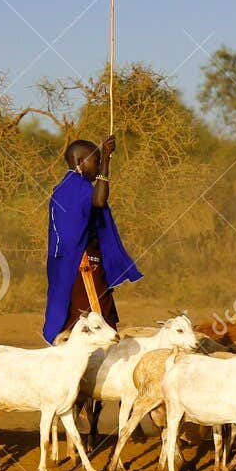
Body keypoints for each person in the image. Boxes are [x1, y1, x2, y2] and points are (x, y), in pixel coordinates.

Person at [43, 135, 143, 343]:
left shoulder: (71, 187)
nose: (97, 167)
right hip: (83, 265)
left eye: (99, 162)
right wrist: (107, 159)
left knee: (85, 313)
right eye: (95, 161)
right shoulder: (73, 187)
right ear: (80, 162)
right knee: (92, 316)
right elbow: (99, 200)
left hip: (82, 263)